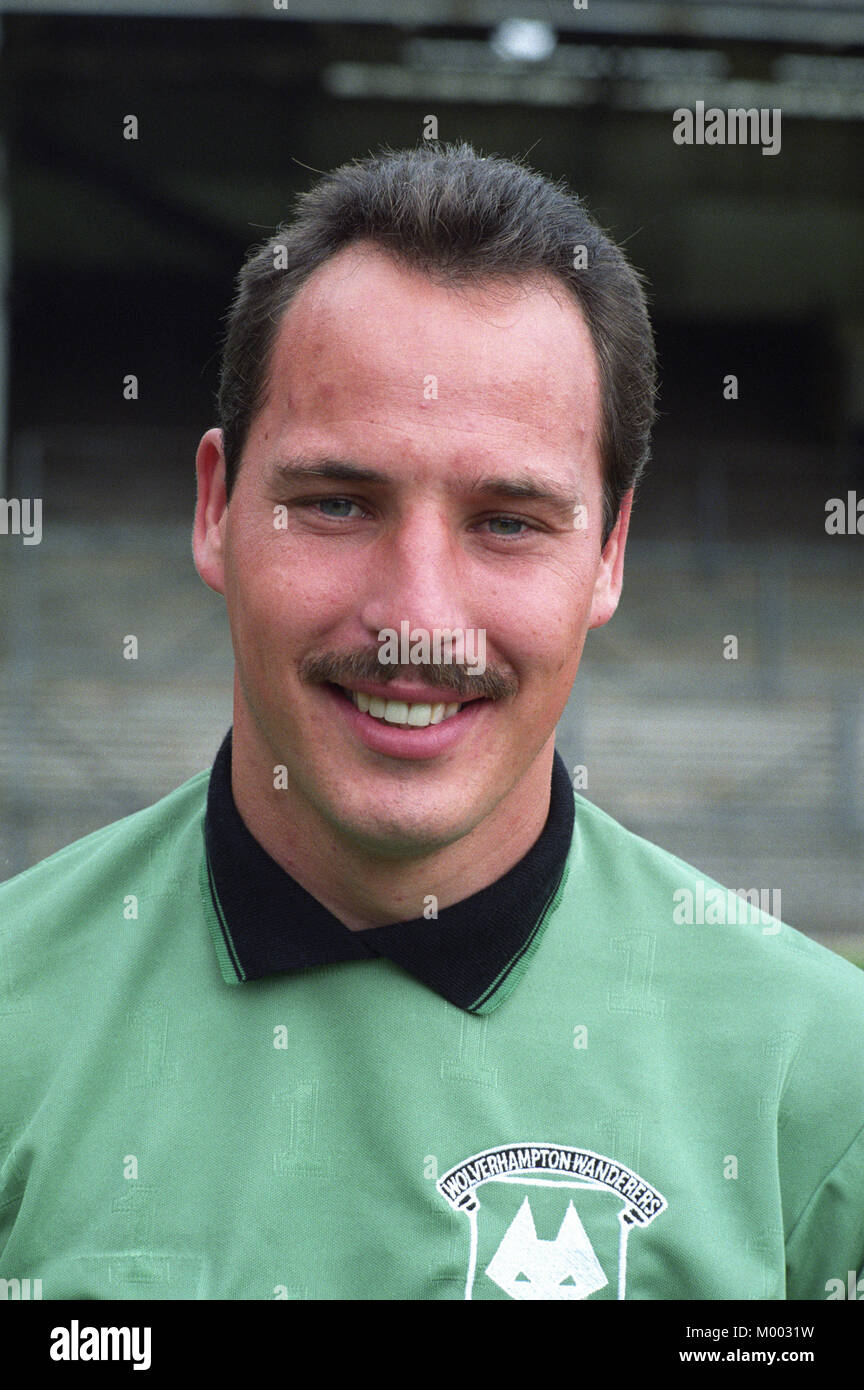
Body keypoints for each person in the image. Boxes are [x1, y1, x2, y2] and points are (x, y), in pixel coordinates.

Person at [1, 143, 862, 1302]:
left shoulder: (824, 1081)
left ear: (609, 552)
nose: (417, 622)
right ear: (214, 509)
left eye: (508, 522)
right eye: (338, 502)